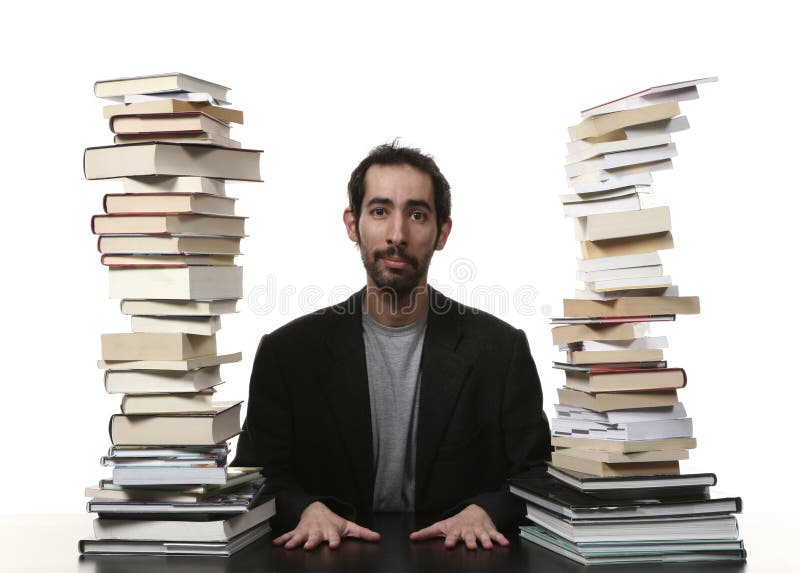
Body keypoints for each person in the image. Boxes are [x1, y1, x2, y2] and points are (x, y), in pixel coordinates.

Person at [233, 141, 550, 551]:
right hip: (328, 557)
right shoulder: (287, 352)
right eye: (380, 211)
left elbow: (535, 471)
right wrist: (305, 508)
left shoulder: (501, 350)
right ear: (353, 225)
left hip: (457, 558)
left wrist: (486, 510)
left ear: (442, 232)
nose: (398, 234)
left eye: (417, 215)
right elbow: (255, 473)